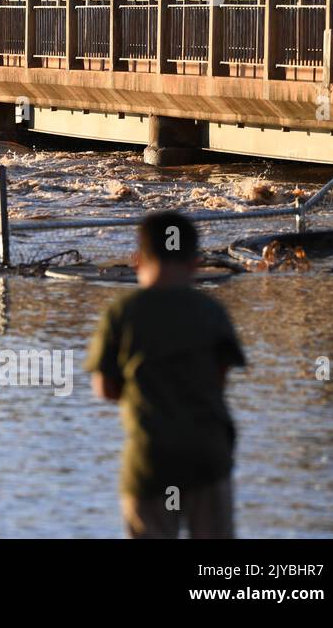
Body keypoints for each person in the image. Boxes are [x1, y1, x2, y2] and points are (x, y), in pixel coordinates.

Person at [85, 211, 246, 539]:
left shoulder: (122, 313)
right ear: (196, 263)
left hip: (150, 461)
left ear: (137, 260)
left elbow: (104, 388)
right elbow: (218, 380)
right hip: (207, 456)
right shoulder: (211, 311)